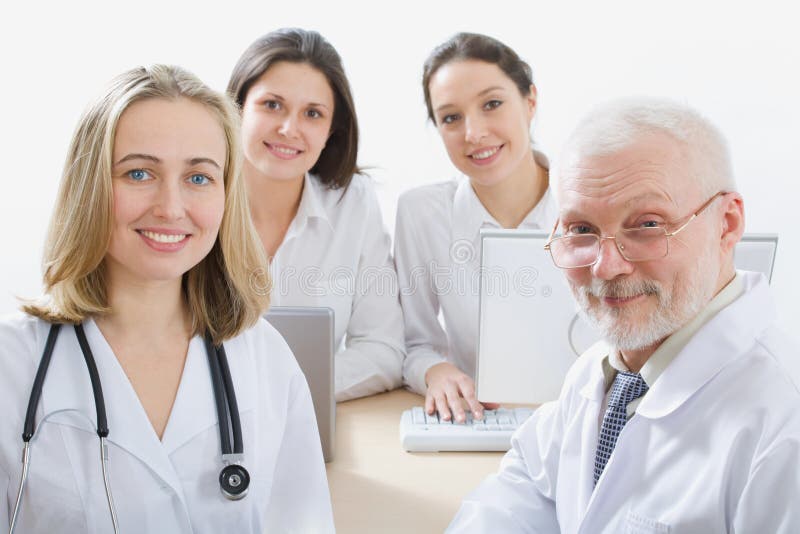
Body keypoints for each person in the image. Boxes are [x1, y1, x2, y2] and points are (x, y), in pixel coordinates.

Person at [0, 65, 334, 533]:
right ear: (90, 186)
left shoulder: (264, 359)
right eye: (139, 173)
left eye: (199, 178)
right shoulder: (13, 366)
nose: (171, 208)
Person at [447, 98, 800, 532]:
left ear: (726, 224)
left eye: (648, 224)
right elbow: (525, 488)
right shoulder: (603, 370)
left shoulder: (784, 428)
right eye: (581, 230)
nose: (606, 267)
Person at [227, 28, 404, 402]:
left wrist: (280, 391)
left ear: (330, 131)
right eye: (272, 104)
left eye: (312, 113)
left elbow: (383, 351)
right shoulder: (192, 197)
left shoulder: (354, 204)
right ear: (237, 106)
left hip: (305, 423)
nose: (289, 129)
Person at [395, 33, 557, 422]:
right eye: (451, 117)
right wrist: (436, 371)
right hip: (482, 424)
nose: (474, 133)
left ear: (530, 101)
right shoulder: (423, 213)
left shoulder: (592, 203)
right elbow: (415, 343)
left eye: (492, 104)